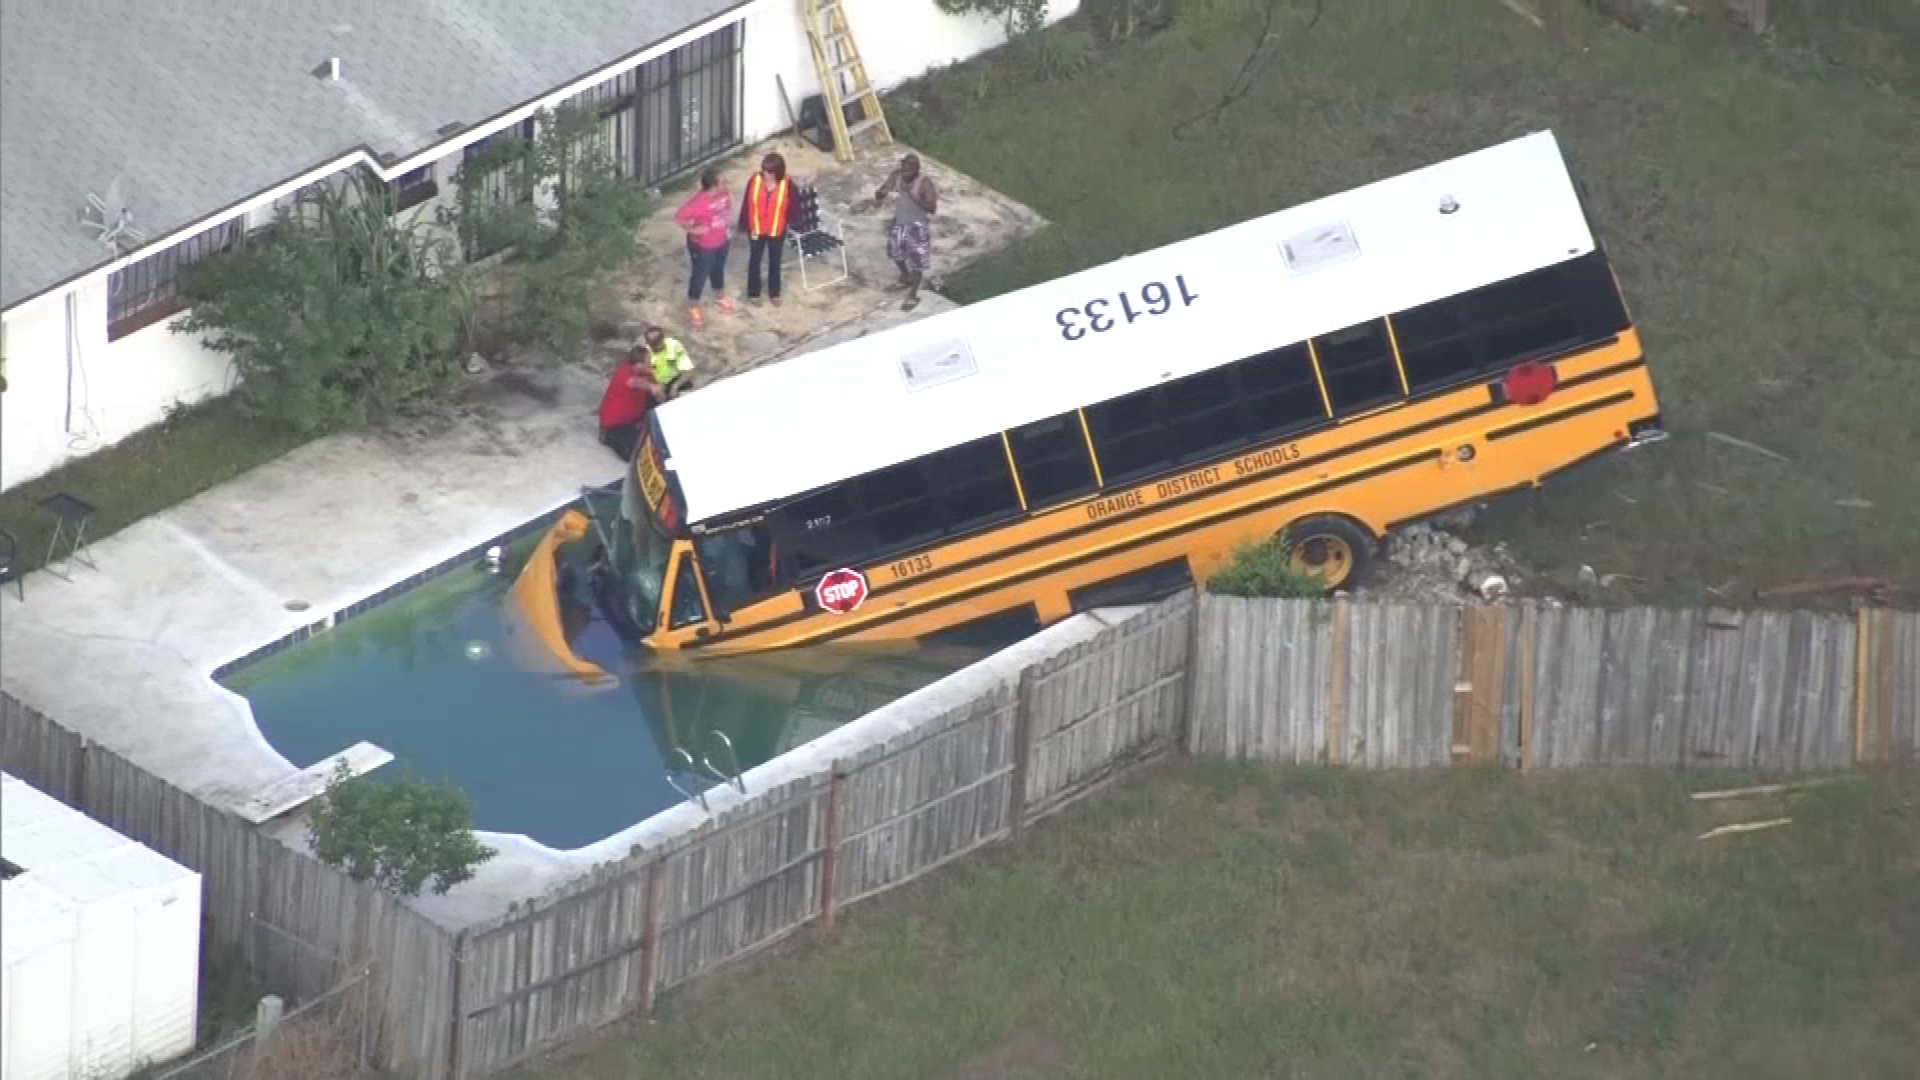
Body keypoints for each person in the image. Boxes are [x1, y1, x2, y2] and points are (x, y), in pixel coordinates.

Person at [874, 154, 938, 311]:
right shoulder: (897, 176)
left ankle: (913, 293)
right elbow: (881, 192)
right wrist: (881, 193)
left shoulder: (925, 183)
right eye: (903, 168)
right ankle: (905, 277)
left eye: (908, 170)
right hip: (900, 221)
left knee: (917, 261)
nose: (904, 172)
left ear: (916, 170)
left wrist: (912, 196)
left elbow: (932, 208)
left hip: (917, 226)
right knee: (895, 252)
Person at [674, 166, 734, 329]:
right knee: (700, 274)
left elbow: (726, 210)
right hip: (704, 245)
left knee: (718, 269)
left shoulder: (724, 194)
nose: (727, 182)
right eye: (723, 181)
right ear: (714, 185)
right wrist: (693, 229)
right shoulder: (698, 203)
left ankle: (719, 296)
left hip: (722, 240)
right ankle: (693, 305)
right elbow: (679, 217)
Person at [738, 153, 793, 306]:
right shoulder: (754, 180)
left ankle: (774, 292)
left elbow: (793, 206)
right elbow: (746, 204)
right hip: (756, 229)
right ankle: (753, 292)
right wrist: (744, 224)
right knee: (755, 260)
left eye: (769, 172)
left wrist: (794, 223)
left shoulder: (787, 184)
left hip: (776, 230)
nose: (765, 174)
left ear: (778, 172)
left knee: (775, 261)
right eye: (764, 170)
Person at [596, 351, 660, 463]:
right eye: (648, 363)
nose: (651, 365)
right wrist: (651, 386)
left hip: (632, 419)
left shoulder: (645, 373)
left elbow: (658, 392)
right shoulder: (625, 373)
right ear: (639, 365)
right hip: (616, 425)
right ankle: (607, 437)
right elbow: (633, 382)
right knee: (633, 455)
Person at [640, 325, 694, 399]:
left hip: (677, 381)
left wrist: (676, 386)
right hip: (658, 385)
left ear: (663, 338)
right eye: (652, 344)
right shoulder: (646, 352)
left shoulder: (673, 345)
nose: (656, 346)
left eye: (658, 341)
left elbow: (688, 370)